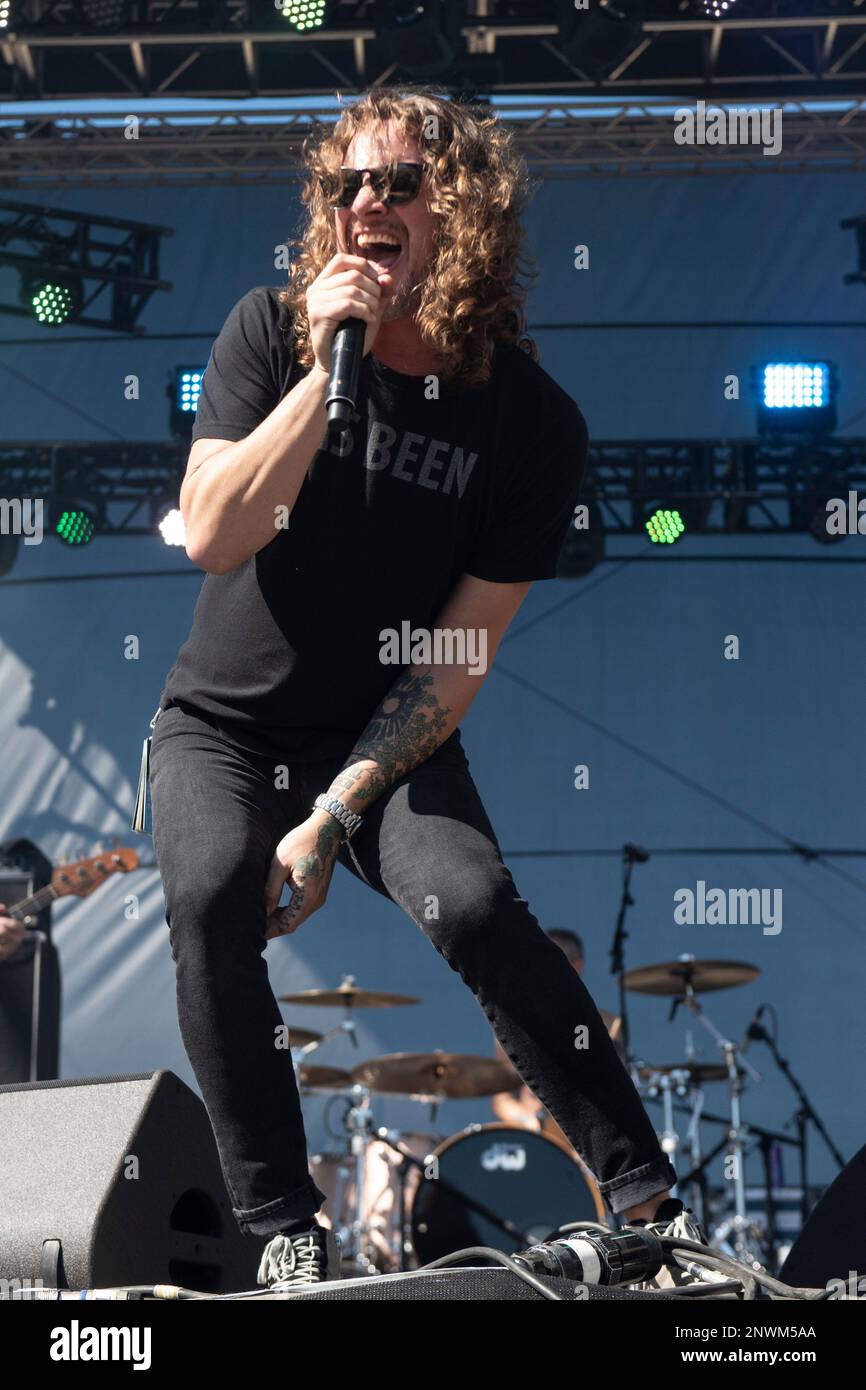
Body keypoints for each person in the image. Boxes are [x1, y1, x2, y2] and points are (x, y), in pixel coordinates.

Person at [148, 85, 693, 1291]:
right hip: (225, 726)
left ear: (462, 211)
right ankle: (286, 1229)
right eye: (345, 185)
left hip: (380, 733)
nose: (363, 205)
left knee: (476, 900)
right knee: (206, 893)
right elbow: (208, 534)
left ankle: (649, 1205)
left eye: (395, 183)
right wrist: (316, 376)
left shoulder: (529, 421)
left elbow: (454, 658)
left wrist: (336, 811)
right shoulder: (267, 331)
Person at [491, 928, 628, 1135]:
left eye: (550, 960)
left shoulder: (608, 1025)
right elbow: (501, 1098)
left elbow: (619, 1095)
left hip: (593, 1141)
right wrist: (527, 1119)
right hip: (538, 1144)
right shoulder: (514, 1025)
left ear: (577, 967)